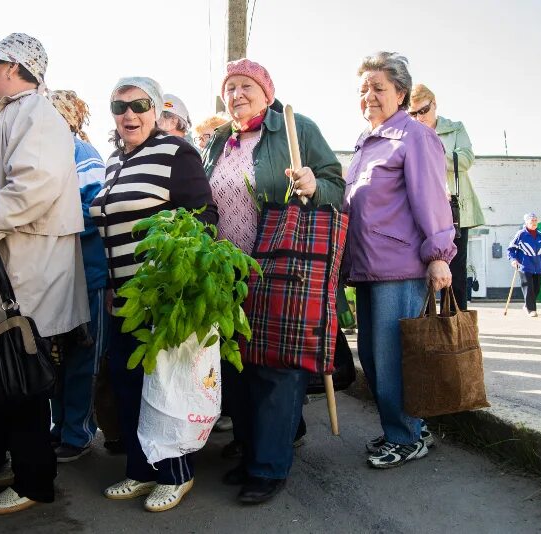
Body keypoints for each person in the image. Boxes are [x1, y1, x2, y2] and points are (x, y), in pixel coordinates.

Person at [202, 58, 345, 503]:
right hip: (228, 271)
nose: (237, 94)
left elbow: (337, 185)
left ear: (267, 92)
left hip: (280, 263)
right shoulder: (220, 141)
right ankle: (250, 451)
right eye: (230, 88)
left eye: (246, 86)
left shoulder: (295, 126)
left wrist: (312, 185)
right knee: (237, 366)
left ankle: (269, 467)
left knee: (275, 368)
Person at [0, 33, 89, 515]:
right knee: (13, 368)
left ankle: (35, 480)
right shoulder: (14, 113)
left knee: (22, 371)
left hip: (24, 268)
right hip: (13, 265)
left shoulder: (35, 113)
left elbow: (35, 183)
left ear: (12, 68)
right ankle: (21, 465)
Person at [90, 76, 218, 512]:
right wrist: (111, 283)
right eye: (119, 106)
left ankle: (176, 474)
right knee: (128, 383)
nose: (129, 114)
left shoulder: (175, 152)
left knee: (165, 385)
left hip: (160, 293)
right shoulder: (112, 161)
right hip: (122, 294)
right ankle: (141, 469)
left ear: (156, 110)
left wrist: (169, 281)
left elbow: (204, 216)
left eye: (139, 105)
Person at [344, 52, 455, 469]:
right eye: (363, 90)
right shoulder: (367, 141)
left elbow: (431, 200)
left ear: (401, 93)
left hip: (401, 267)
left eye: (378, 88)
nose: (369, 96)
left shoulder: (414, 136)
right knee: (375, 360)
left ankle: (407, 437)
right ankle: (407, 427)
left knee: (393, 360)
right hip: (369, 267)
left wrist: (439, 255)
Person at [48, 89, 110, 462]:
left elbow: (97, 211)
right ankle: (60, 428)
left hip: (87, 273)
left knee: (82, 356)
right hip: (57, 276)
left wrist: (49, 218)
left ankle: (79, 433)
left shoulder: (82, 154)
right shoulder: (43, 152)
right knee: (57, 358)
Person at [408, 83, 485, 311]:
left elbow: (467, 158)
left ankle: (456, 326)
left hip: (455, 210)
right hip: (424, 210)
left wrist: (433, 155)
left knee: (457, 271)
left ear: (434, 105)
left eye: (423, 110)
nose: (419, 116)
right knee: (421, 268)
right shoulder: (409, 132)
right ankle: (426, 325)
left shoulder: (455, 128)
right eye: (413, 113)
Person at [507, 213, 541, 317]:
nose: (534, 222)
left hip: (538, 267)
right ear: (526, 222)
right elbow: (511, 249)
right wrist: (513, 260)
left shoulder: (540, 234)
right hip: (525, 266)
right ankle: (531, 310)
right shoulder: (521, 234)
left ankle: (527, 305)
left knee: (536, 289)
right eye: (531, 221)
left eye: (535, 220)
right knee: (528, 287)